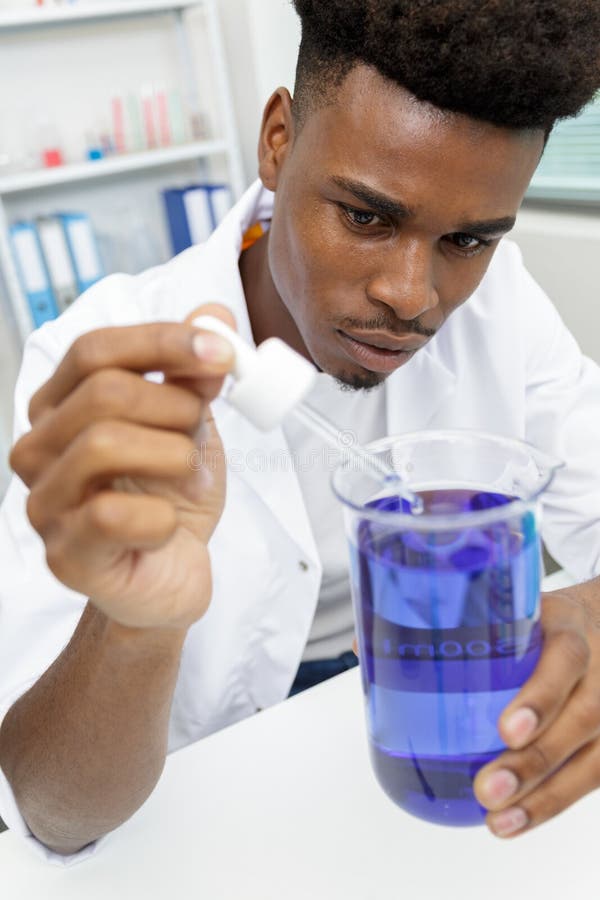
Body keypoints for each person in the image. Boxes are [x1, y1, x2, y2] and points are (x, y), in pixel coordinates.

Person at [1, 0, 600, 862]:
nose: (412, 294)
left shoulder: (502, 306)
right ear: (278, 141)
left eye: (467, 240)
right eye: (366, 216)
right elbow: (53, 813)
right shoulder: (104, 364)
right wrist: (134, 625)